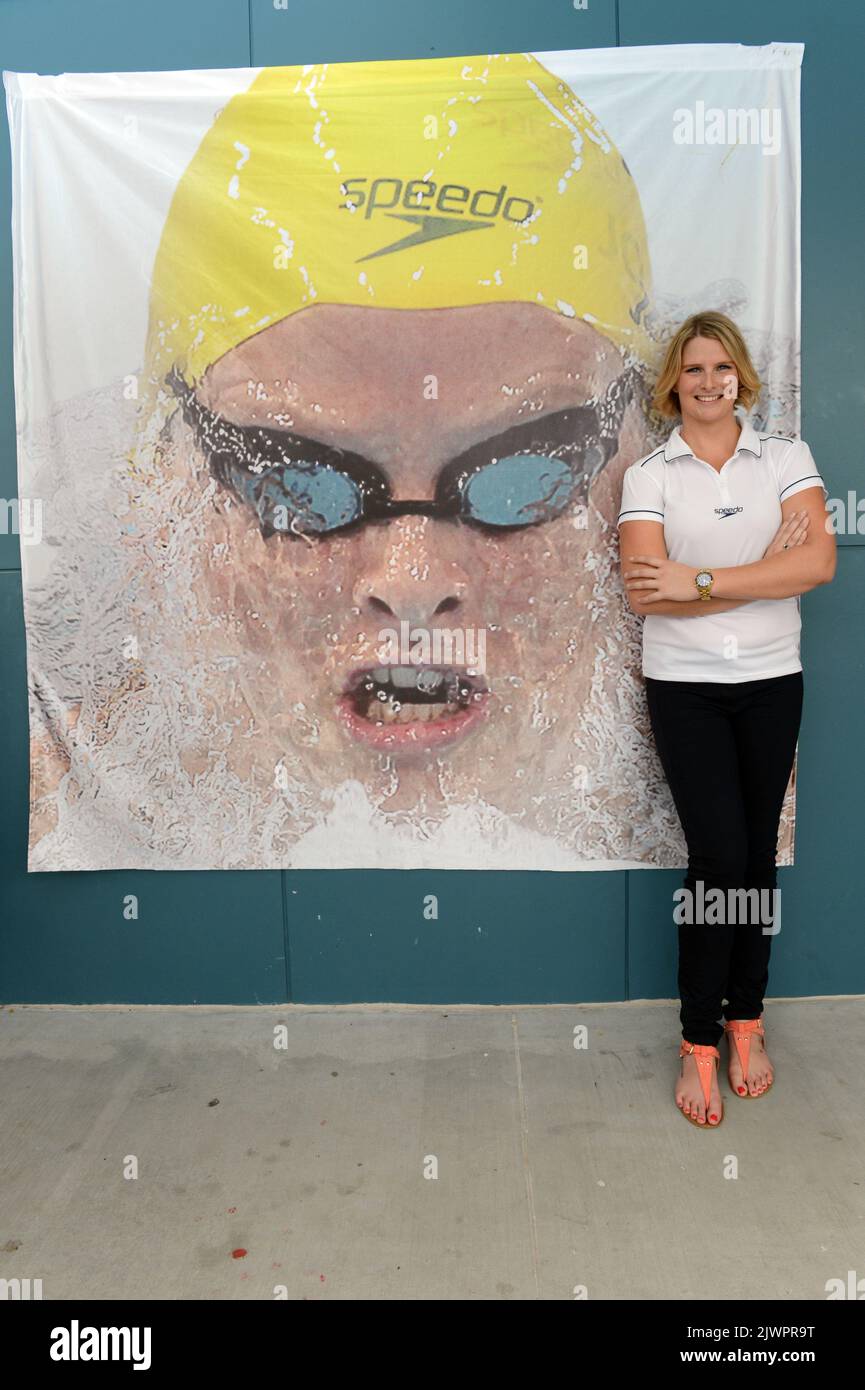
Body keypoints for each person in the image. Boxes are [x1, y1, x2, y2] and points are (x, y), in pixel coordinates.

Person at [617, 310, 835, 1127]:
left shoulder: (784, 457)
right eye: (692, 369)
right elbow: (645, 586)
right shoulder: (651, 475)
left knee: (757, 859)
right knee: (717, 858)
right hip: (685, 687)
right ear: (672, 381)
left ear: (740, 376)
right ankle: (698, 1039)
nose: (707, 383)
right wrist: (760, 569)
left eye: (721, 369)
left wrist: (699, 580)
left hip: (772, 681)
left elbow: (815, 562)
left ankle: (748, 1020)